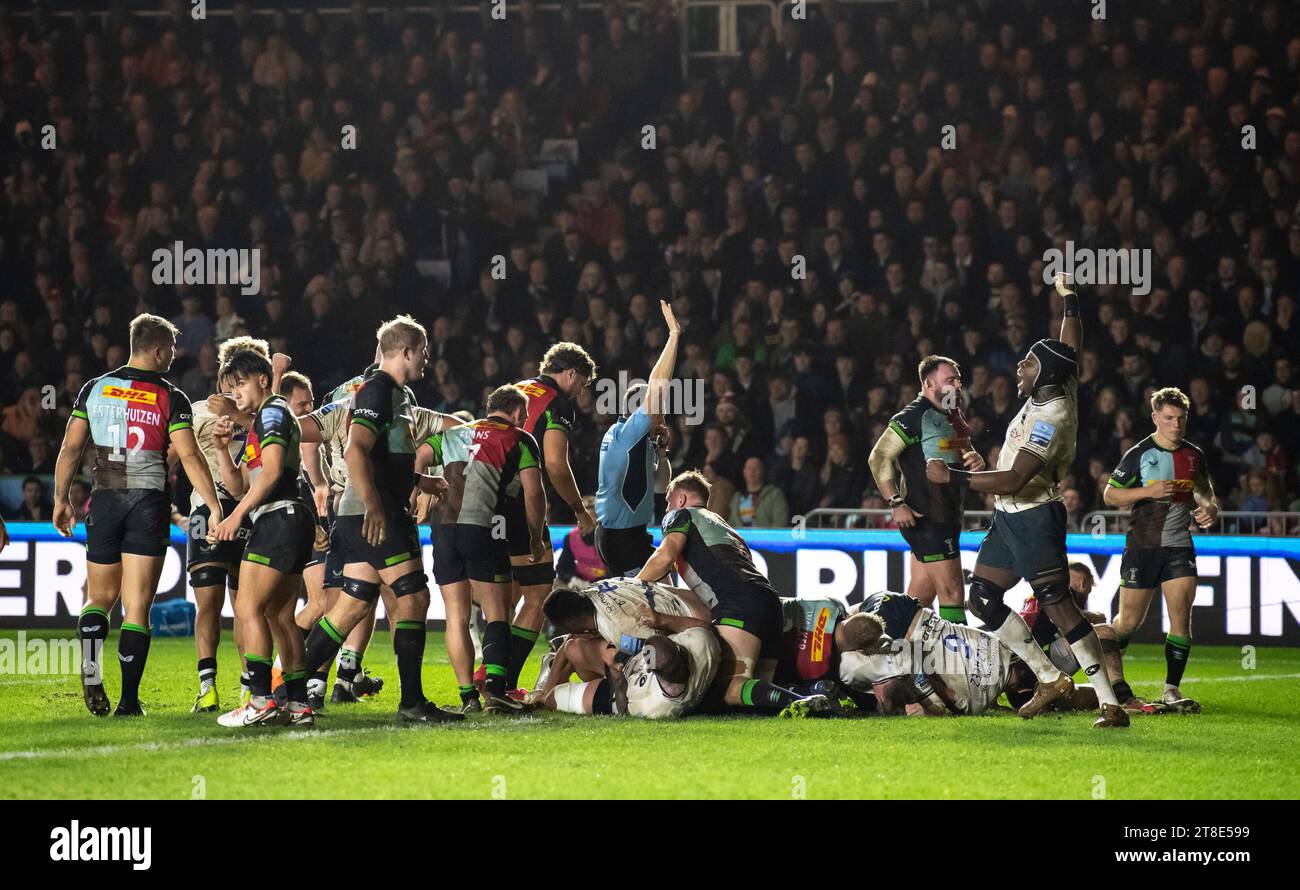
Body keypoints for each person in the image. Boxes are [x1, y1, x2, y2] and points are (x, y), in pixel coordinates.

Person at [925, 274, 1129, 728]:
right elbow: (1068, 348)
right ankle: (1048, 677)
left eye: (1027, 364)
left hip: (1034, 515)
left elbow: (1017, 479)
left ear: (1045, 373)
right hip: (1008, 517)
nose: (1019, 369)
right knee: (982, 598)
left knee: (1057, 604)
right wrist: (1071, 300)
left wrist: (954, 477)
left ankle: (1109, 702)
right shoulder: (1058, 384)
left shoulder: (1051, 417)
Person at [53, 314, 224, 718]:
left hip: (106, 498)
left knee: (98, 598)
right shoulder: (171, 395)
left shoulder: (94, 388)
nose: (174, 357)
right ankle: (129, 703)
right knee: (137, 607)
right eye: (172, 349)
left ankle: (91, 667)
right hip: (147, 502)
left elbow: (69, 448)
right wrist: (214, 504)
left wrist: (61, 499)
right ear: (160, 349)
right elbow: (189, 454)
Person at [301, 316, 463, 723]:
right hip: (376, 513)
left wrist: (421, 479)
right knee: (413, 598)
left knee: (350, 607)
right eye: (423, 352)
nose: (427, 359)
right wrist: (375, 506)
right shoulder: (379, 390)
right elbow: (356, 450)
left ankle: (288, 689)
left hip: (364, 510)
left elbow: (383, 458)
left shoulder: (397, 393)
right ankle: (411, 703)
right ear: (407, 351)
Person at [636, 470, 832, 717]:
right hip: (769, 602)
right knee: (759, 697)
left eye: (668, 501)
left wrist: (634, 586)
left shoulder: (680, 516)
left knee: (732, 688)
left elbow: (666, 554)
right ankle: (816, 692)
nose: (666, 509)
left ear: (682, 499)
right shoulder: (726, 527)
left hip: (738, 603)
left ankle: (809, 700)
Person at [417, 383, 547, 714]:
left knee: (456, 618)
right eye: (525, 415)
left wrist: (418, 488)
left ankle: (467, 698)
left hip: (443, 530)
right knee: (497, 611)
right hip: (482, 529)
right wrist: (534, 536)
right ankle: (496, 692)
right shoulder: (520, 439)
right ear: (517, 412)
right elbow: (533, 493)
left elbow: (418, 456)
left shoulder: (453, 434)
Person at [210, 349, 317, 727]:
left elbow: (270, 474)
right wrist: (223, 449)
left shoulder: (272, 412)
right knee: (280, 616)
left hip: (278, 518)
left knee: (248, 609)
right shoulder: (264, 420)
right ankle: (299, 705)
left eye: (239, 384)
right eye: (230, 388)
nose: (235, 394)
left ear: (261, 379)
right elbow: (240, 484)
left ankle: (258, 700)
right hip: (292, 518)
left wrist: (235, 517)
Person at [1103, 386, 1219, 709]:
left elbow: (1206, 492)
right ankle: (1108, 668)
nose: (1176, 425)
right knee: (1128, 623)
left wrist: (1210, 508)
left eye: (1181, 418)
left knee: (1181, 616)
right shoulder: (1139, 454)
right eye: (1169, 418)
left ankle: (1171, 688)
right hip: (1143, 547)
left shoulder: (1194, 455)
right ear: (1155, 418)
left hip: (1179, 546)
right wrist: (1147, 492)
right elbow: (1110, 495)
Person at [183, 335, 279, 713]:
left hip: (251, 509)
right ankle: (207, 685)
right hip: (205, 510)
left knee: (247, 605)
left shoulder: (264, 415)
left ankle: (247, 686)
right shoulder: (198, 410)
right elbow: (179, 454)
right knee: (207, 603)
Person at [497, 342, 599, 694]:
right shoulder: (559, 403)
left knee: (504, 596)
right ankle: (505, 682)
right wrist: (579, 510)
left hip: (486, 502)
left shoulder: (516, 390)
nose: (581, 392)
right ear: (570, 374)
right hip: (523, 505)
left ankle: (487, 675)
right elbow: (555, 463)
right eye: (582, 384)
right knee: (539, 595)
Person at [868, 355, 982, 622]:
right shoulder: (912, 416)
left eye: (958, 380)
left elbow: (953, 446)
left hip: (947, 515)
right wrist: (896, 502)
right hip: (929, 519)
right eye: (950, 380)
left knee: (918, 600)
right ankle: (958, 661)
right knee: (952, 592)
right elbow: (879, 457)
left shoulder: (952, 411)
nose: (958, 385)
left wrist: (972, 456)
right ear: (929, 383)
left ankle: (891, 649)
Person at [595, 299, 679, 574]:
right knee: (644, 607)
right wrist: (673, 336)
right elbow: (657, 385)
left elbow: (659, 486)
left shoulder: (639, 441)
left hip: (633, 533)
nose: (662, 416)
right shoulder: (625, 435)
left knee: (663, 594)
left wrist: (663, 453)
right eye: (658, 411)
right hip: (619, 538)